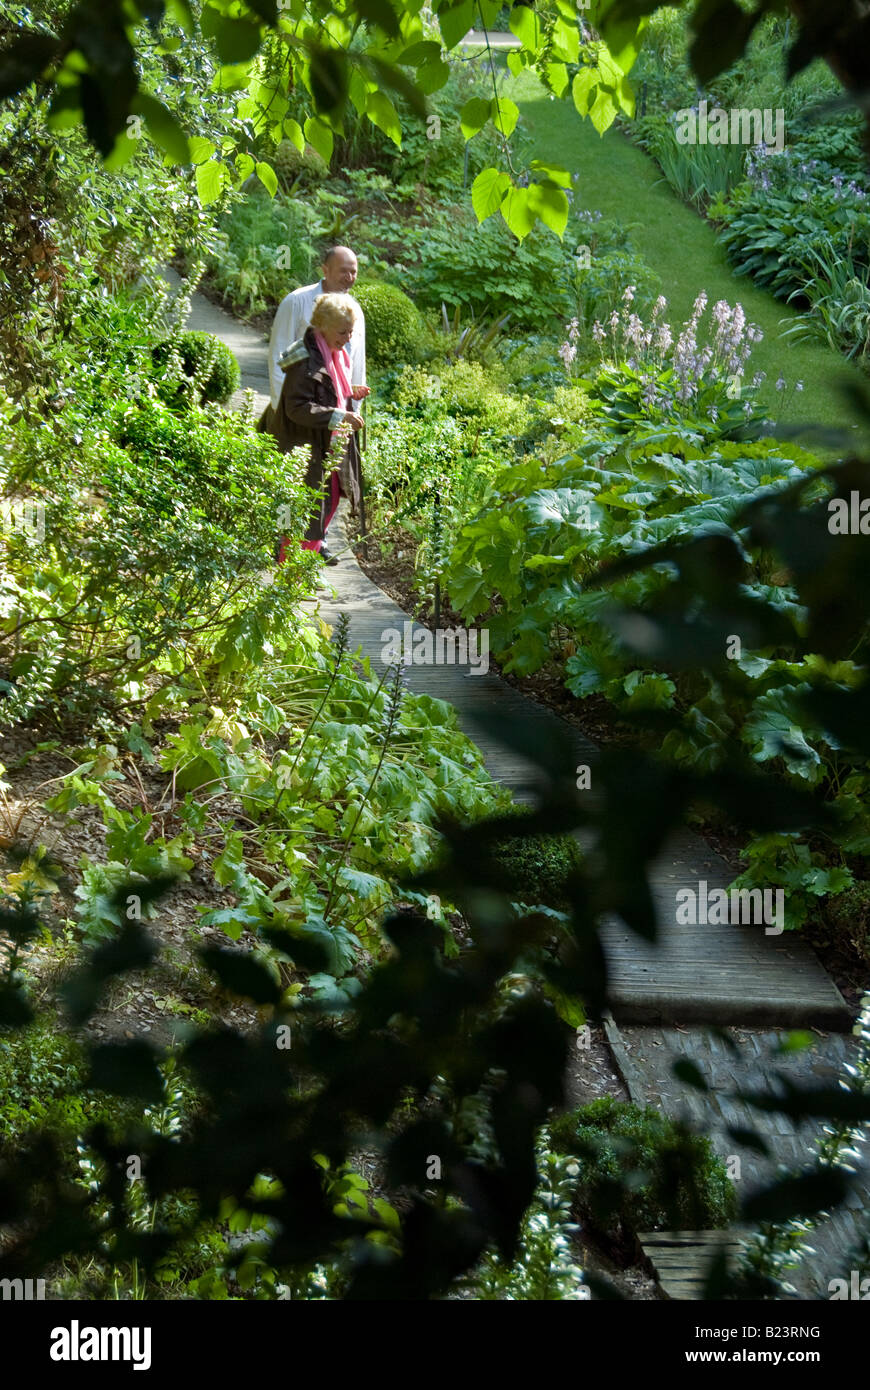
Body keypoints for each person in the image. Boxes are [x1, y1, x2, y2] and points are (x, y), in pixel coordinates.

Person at [264, 293, 370, 565]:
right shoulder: (305, 360)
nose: (348, 339)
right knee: (308, 512)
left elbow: (327, 389)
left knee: (328, 502)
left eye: (351, 332)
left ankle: (305, 569)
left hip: (327, 444)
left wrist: (350, 393)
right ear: (322, 326)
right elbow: (297, 407)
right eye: (342, 331)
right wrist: (339, 415)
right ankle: (293, 574)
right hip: (305, 447)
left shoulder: (333, 354)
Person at [268, 246, 365, 414]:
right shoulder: (297, 301)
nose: (349, 277)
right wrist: (281, 407)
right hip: (301, 407)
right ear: (325, 270)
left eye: (353, 272)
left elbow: (357, 362)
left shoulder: (355, 310)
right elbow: (278, 356)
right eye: (343, 271)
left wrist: (353, 410)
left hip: (340, 409)